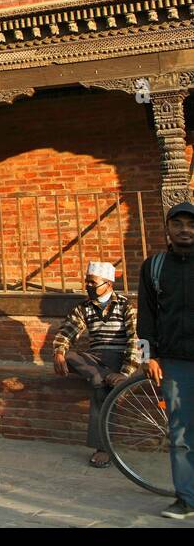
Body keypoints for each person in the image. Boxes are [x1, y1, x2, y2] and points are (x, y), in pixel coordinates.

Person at [52, 261, 141, 468]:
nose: (88, 286)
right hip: (94, 359)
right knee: (70, 356)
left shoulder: (125, 306)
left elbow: (135, 340)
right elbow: (68, 331)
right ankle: (100, 378)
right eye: (87, 282)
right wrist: (58, 351)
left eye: (93, 282)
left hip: (119, 358)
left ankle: (103, 448)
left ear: (108, 284)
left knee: (100, 393)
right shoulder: (83, 308)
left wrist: (125, 373)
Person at [138, 200, 194, 520]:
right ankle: (186, 498)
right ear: (168, 229)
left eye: (190, 224)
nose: (185, 229)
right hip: (175, 362)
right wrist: (149, 356)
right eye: (178, 224)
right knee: (181, 434)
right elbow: (146, 317)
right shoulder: (154, 266)